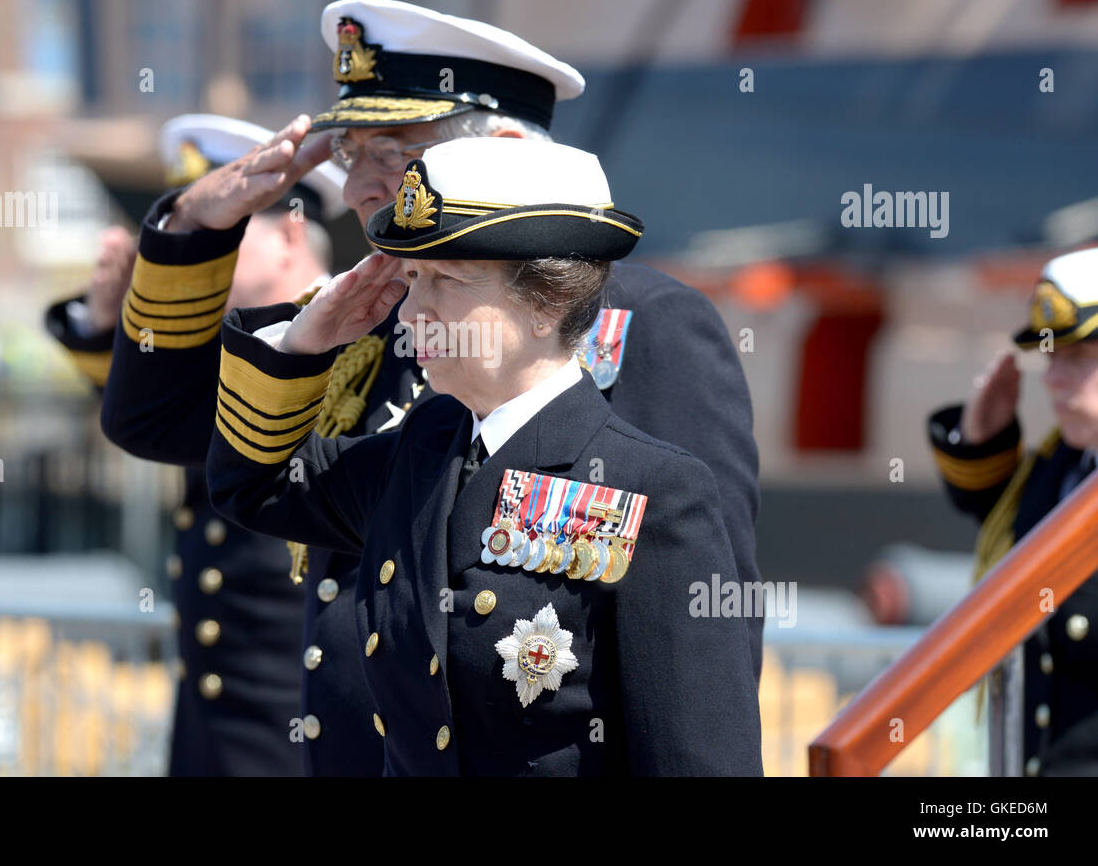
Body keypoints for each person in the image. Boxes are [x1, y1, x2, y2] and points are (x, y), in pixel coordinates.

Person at [100, 0, 760, 776]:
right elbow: (161, 421)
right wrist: (194, 230)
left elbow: (698, 646)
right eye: (349, 157)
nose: (356, 189)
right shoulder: (366, 314)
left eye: (391, 152)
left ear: (507, 151)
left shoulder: (645, 324)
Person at [206, 138, 762, 775]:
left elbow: (699, 761)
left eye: (444, 280)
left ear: (546, 302)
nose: (412, 311)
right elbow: (253, 482)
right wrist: (300, 345)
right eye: (411, 278)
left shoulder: (655, 490)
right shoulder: (422, 453)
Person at [45, 115, 342, 775]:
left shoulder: (344, 344)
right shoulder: (238, 347)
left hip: (296, 723)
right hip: (212, 723)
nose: (202, 257)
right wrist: (106, 324)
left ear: (291, 232)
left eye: (227, 230)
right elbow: (150, 421)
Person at [927, 247, 1098, 776]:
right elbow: (999, 516)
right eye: (1049, 358)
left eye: (1076, 358)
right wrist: (982, 436)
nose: (1051, 379)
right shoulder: (1063, 466)